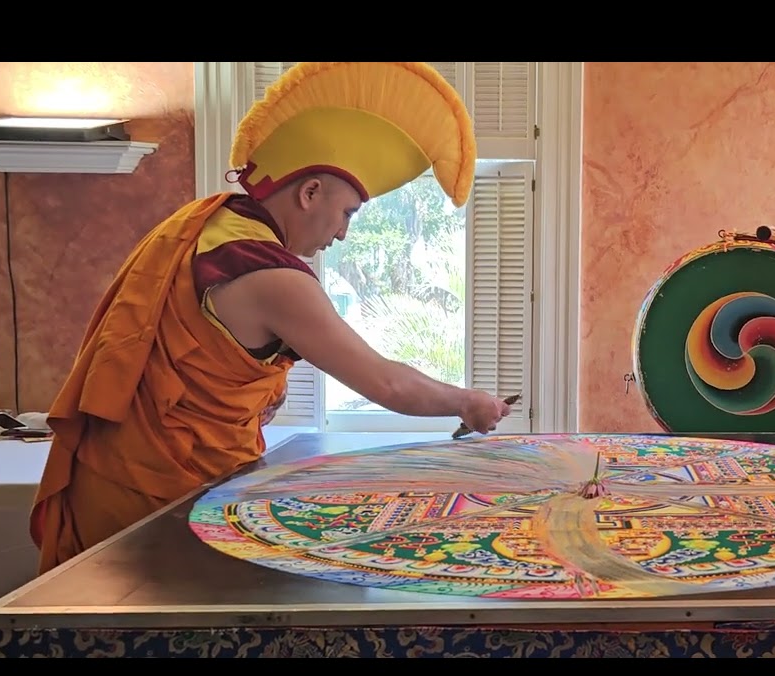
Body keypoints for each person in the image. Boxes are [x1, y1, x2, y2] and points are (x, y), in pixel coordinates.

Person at [29, 62, 512, 574]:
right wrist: (468, 403)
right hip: (156, 500)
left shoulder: (204, 223)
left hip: (112, 475)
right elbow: (386, 382)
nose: (344, 233)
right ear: (309, 193)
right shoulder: (273, 276)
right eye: (348, 212)